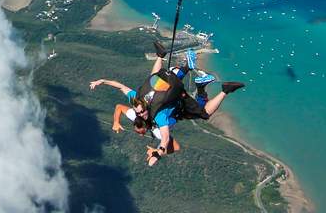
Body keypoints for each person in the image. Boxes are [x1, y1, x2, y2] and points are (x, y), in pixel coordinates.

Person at [89, 44, 245, 166]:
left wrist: (158, 153)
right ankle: (164, 58)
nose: (141, 133)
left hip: (179, 105)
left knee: (204, 113)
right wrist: (102, 82)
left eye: (141, 131)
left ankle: (225, 90)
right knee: (154, 78)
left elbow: (169, 143)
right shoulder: (138, 103)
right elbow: (120, 92)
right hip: (163, 84)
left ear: (145, 123)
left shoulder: (159, 120)